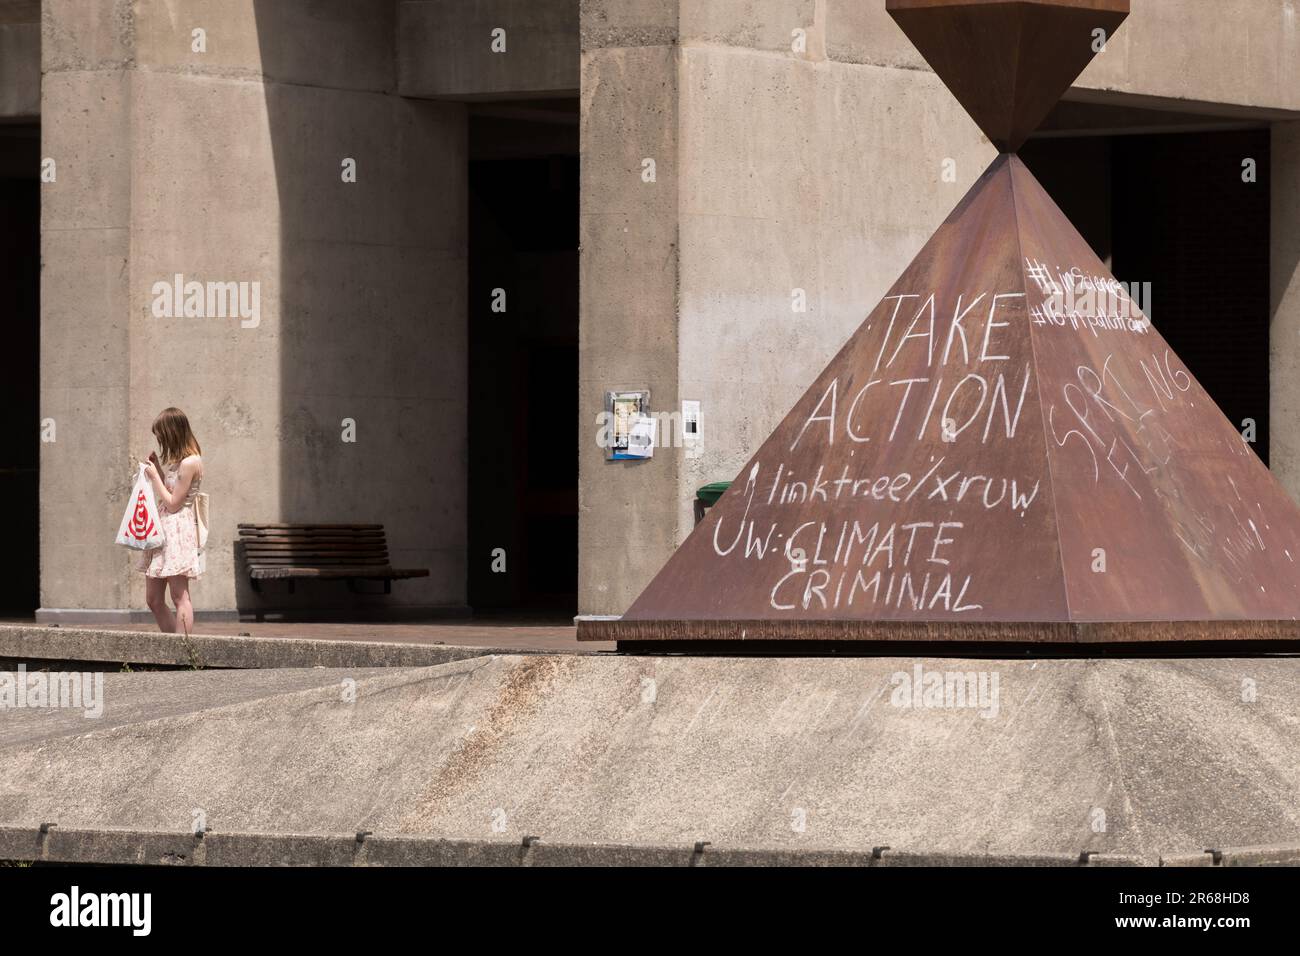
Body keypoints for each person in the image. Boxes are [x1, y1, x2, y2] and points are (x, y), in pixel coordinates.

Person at [138, 407, 205, 635]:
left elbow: (174, 503)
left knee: (179, 596)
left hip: (178, 531)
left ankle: (183, 653)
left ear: (173, 432)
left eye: (162, 435)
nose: (160, 440)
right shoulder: (179, 462)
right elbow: (168, 495)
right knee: (153, 598)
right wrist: (158, 468)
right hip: (164, 529)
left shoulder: (191, 462)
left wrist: (155, 476)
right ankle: (171, 647)